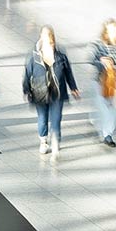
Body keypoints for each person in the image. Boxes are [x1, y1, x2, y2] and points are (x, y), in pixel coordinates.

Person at [24, 25, 80, 157]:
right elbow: (27, 73)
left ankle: (55, 141)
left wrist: (73, 88)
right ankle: (43, 140)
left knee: (56, 119)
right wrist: (26, 89)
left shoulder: (60, 56)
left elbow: (68, 73)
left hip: (57, 93)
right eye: (44, 35)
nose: (46, 38)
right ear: (40, 37)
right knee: (43, 118)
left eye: (48, 35)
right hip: (40, 92)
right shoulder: (34, 56)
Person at [88, 19, 116, 147]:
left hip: (113, 81)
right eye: (112, 30)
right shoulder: (98, 44)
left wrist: (114, 64)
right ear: (106, 32)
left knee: (113, 107)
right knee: (103, 106)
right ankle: (102, 127)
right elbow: (91, 59)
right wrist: (102, 62)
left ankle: (108, 134)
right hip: (99, 80)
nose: (115, 33)